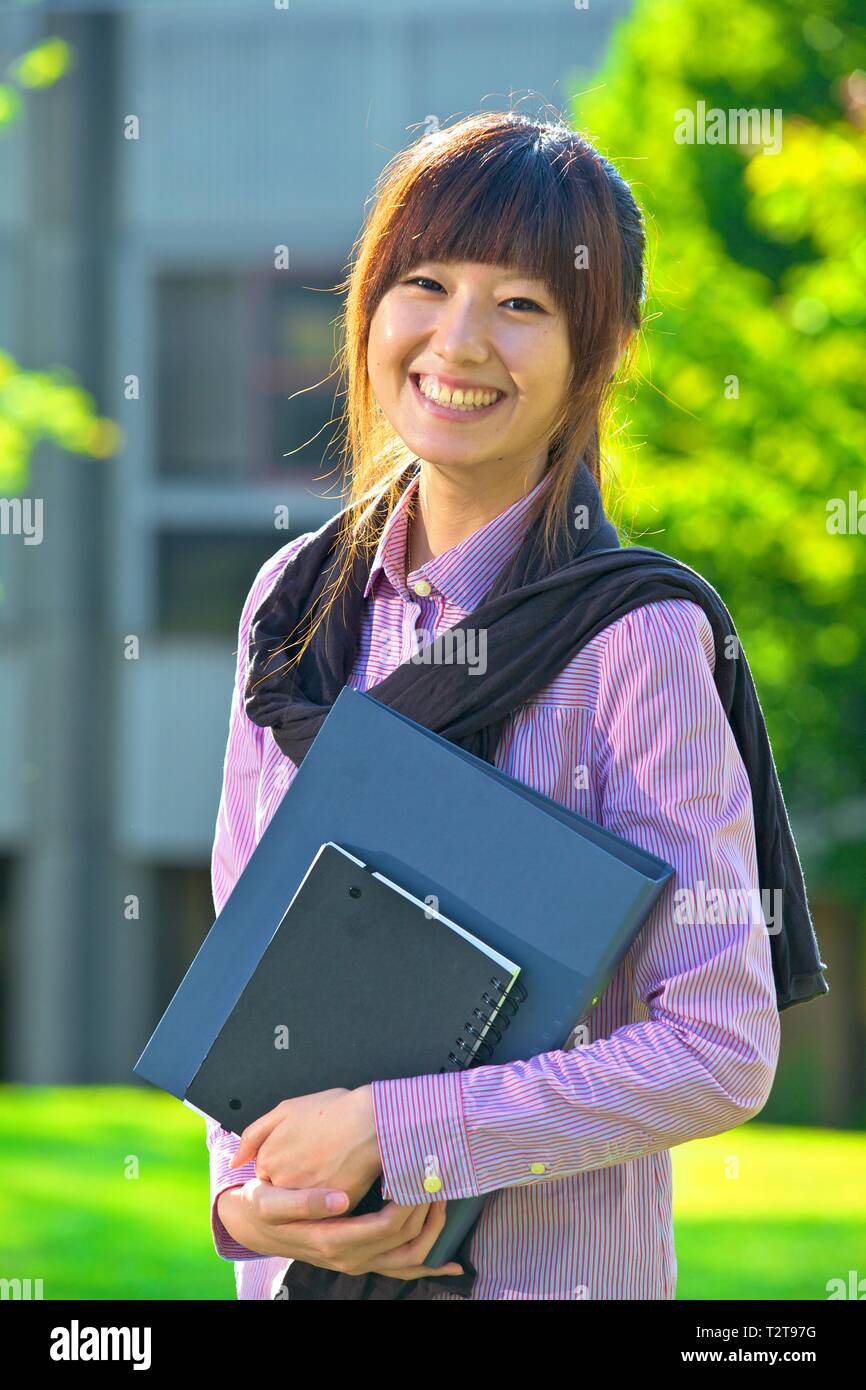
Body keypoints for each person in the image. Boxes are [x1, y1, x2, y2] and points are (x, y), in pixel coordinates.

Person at [207, 111, 787, 1301]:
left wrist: (399, 1127)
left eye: (522, 304)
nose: (457, 341)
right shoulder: (295, 607)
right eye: (423, 283)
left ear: (603, 349)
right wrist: (247, 1200)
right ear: (369, 305)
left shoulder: (636, 640)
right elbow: (244, 964)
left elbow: (722, 1048)